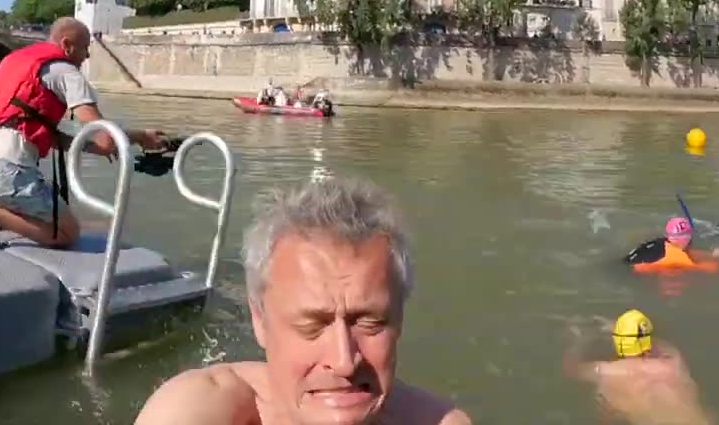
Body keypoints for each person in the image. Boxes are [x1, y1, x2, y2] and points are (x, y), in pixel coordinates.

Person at [134, 176, 471, 425]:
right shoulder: (200, 410)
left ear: (400, 319)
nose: (344, 361)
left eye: (370, 322)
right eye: (311, 325)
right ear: (260, 321)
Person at [0, 16, 166, 248]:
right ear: (67, 45)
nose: (86, 56)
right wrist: (140, 136)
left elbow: (43, 133)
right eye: (85, 48)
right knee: (66, 232)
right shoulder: (67, 73)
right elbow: (105, 136)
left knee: (20, 216)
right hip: (5, 169)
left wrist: (96, 148)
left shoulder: (15, 61)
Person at [563, 309, 719, 425]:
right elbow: (660, 344)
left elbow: (571, 369)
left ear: (618, 342)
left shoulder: (607, 372)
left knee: (606, 406)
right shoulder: (672, 362)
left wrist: (580, 340)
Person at [624, 217, 719, 273]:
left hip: (624, 263)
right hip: (629, 273)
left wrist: (711, 254)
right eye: (689, 237)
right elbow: (712, 268)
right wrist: (718, 260)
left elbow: (688, 253)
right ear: (685, 239)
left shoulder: (662, 242)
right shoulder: (678, 257)